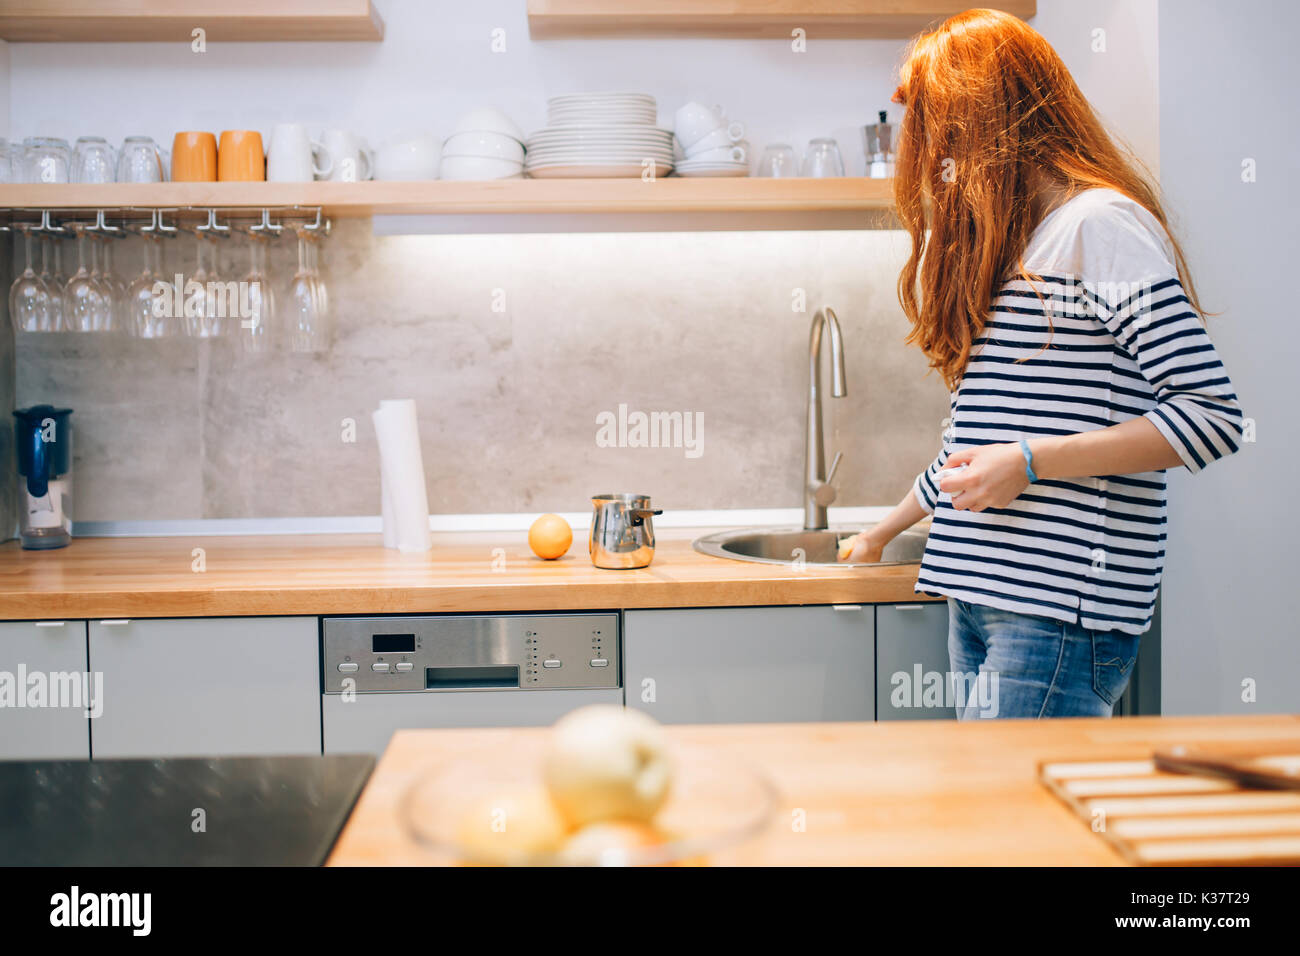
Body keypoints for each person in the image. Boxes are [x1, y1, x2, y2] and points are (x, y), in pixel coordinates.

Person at [840, 9, 1243, 719]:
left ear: (986, 118)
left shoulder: (1101, 228)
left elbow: (1210, 418)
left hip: (1055, 608)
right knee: (993, 818)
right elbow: (975, 451)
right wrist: (883, 531)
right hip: (980, 591)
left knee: (1010, 821)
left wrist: (1028, 464)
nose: (929, 154)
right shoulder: (1020, 249)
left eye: (939, 126)